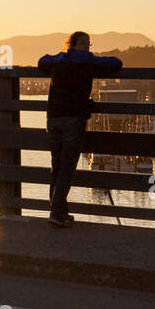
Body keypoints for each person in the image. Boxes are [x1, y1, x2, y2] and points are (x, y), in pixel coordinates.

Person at [37, 32, 122, 226]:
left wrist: (60, 56)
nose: (89, 48)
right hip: (73, 118)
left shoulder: (58, 60)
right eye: (87, 44)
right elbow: (116, 63)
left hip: (53, 118)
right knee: (67, 166)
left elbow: (42, 61)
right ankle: (57, 212)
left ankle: (58, 211)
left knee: (56, 166)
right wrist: (90, 57)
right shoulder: (87, 61)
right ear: (81, 45)